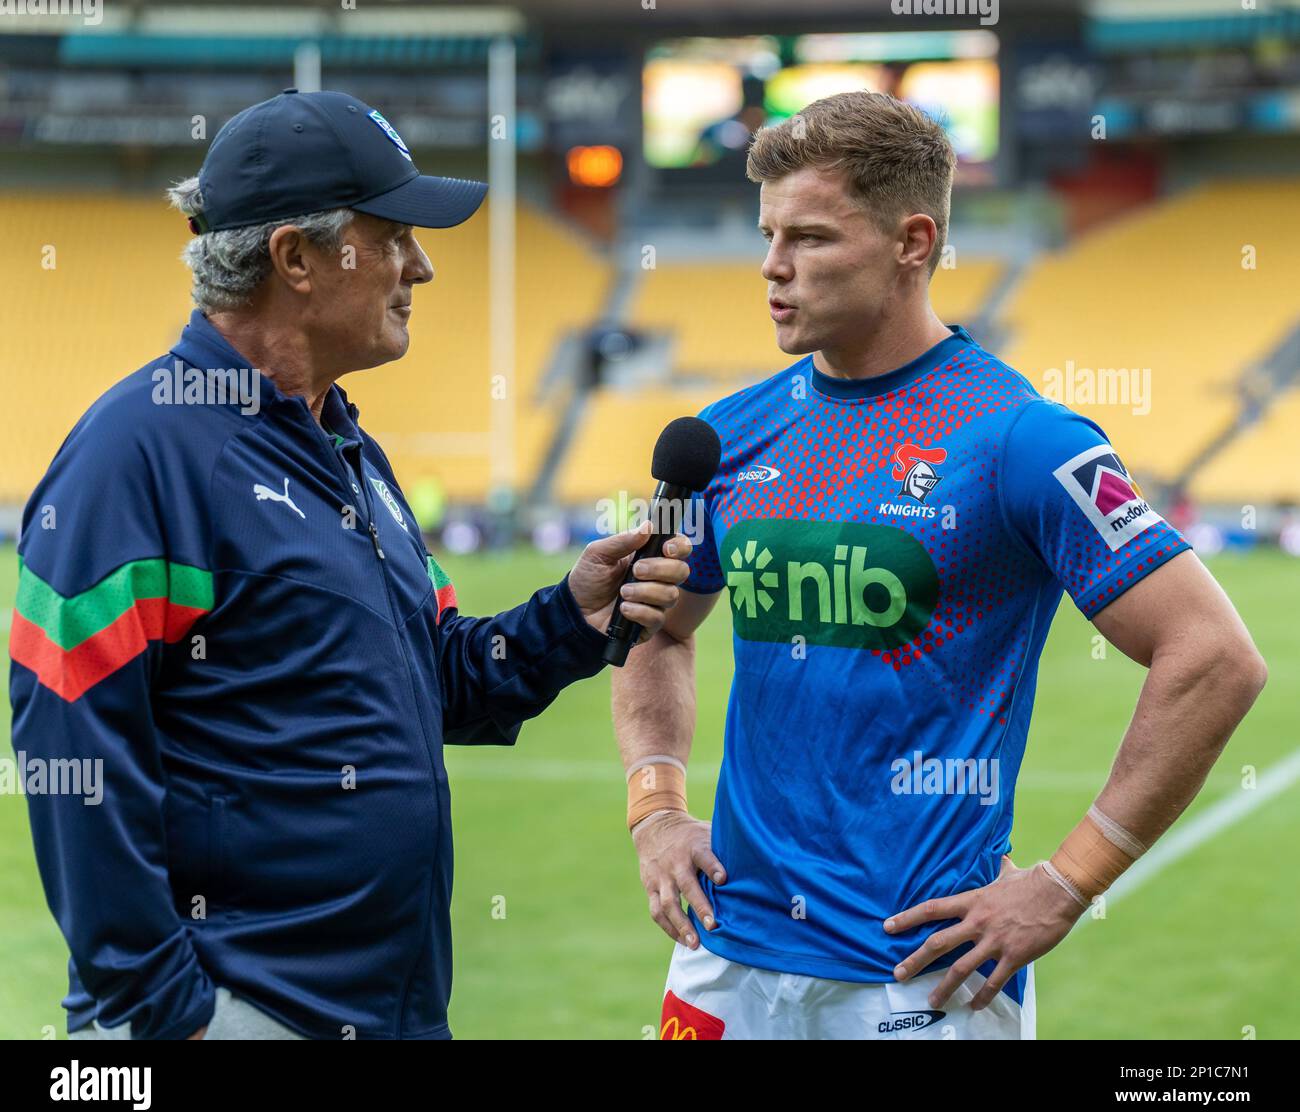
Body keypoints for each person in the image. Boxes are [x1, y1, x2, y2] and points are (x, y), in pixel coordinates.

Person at [9, 89, 693, 1040]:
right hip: (236, 1012)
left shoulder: (343, 444)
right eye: (392, 233)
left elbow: (435, 678)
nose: (420, 265)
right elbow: (72, 755)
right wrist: (169, 1014)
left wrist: (570, 618)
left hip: (386, 1009)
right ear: (294, 256)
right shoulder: (139, 452)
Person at [611, 90, 1267, 1040]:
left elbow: (1214, 657)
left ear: (913, 242)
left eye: (810, 238)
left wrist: (1068, 881)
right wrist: (657, 807)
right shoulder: (721, 439)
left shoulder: (1024, 440)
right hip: (725, 955)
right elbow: (656, 627)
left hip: (922, 981)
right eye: (767, 235)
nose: (772, 268)